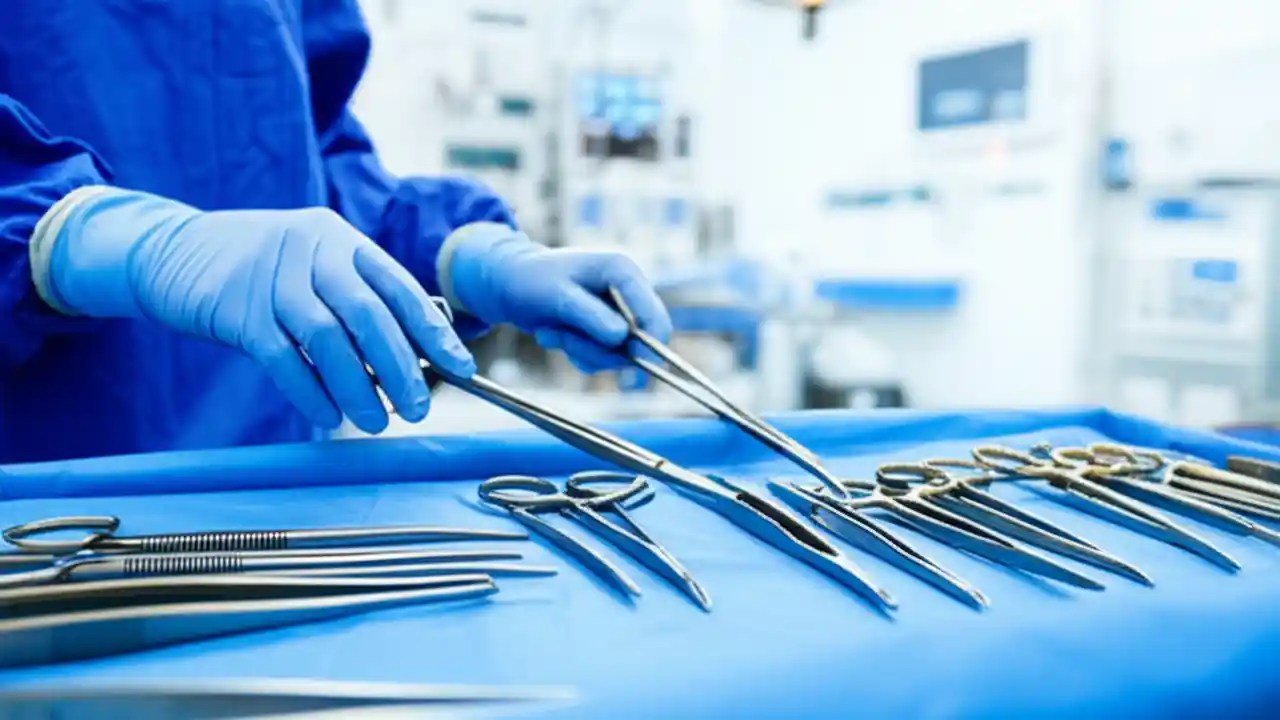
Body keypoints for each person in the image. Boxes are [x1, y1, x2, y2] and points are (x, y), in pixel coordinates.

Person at [0, 0, 671, 464]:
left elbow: (303, 162)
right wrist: (78, 240)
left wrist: (465, 257)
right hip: (46, 505)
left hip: (275, 486)